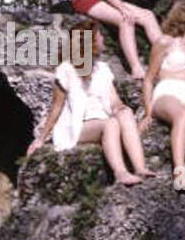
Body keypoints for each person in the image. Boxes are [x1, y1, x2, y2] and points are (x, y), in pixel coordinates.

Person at [25, 19, 154, 185]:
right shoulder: (66, 69)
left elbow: (114, 100)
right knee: (110, 124)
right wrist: (41, 139)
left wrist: (119, 107)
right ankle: (121, 172)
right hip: (78, 126)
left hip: (103, 119)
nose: (102, 38)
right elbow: (56, 107)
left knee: (125, 112)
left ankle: (140, 167)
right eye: (99, 35)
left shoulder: (103, 69)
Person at [141, 0, 185, 191]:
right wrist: (148, 112)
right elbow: (148, 79)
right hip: (167, 90)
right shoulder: (164, 42)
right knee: (181, 115)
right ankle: (179, 172)